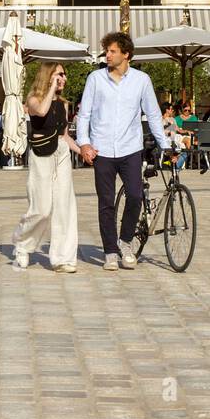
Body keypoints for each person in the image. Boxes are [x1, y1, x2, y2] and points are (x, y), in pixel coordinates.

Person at [77, 32, 169, 272]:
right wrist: (84, 143)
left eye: (112, 51)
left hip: (130, 148)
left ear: (126, 54)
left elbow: (153, 114)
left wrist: (165, 145)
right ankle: (109, 251)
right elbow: (84, 114)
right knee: (106, 203)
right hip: (102, 149)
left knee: (135, 196)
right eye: (106, 51)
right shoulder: (95, 79)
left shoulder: (141, 80)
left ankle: (125, 242)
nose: (107, 55)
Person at [12, 63, 81, 272]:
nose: (64, 78)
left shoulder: (64, 104)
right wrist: (51, 88)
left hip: (60, 153)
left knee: (64, 205)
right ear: (49, 76)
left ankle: (63, 258)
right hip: (41, 155)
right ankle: (23, 244)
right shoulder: (33, 99)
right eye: (60, 74)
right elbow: (41, 112)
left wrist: (83, 152)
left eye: (64, 75)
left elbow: (64, 136)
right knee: (42, 208)